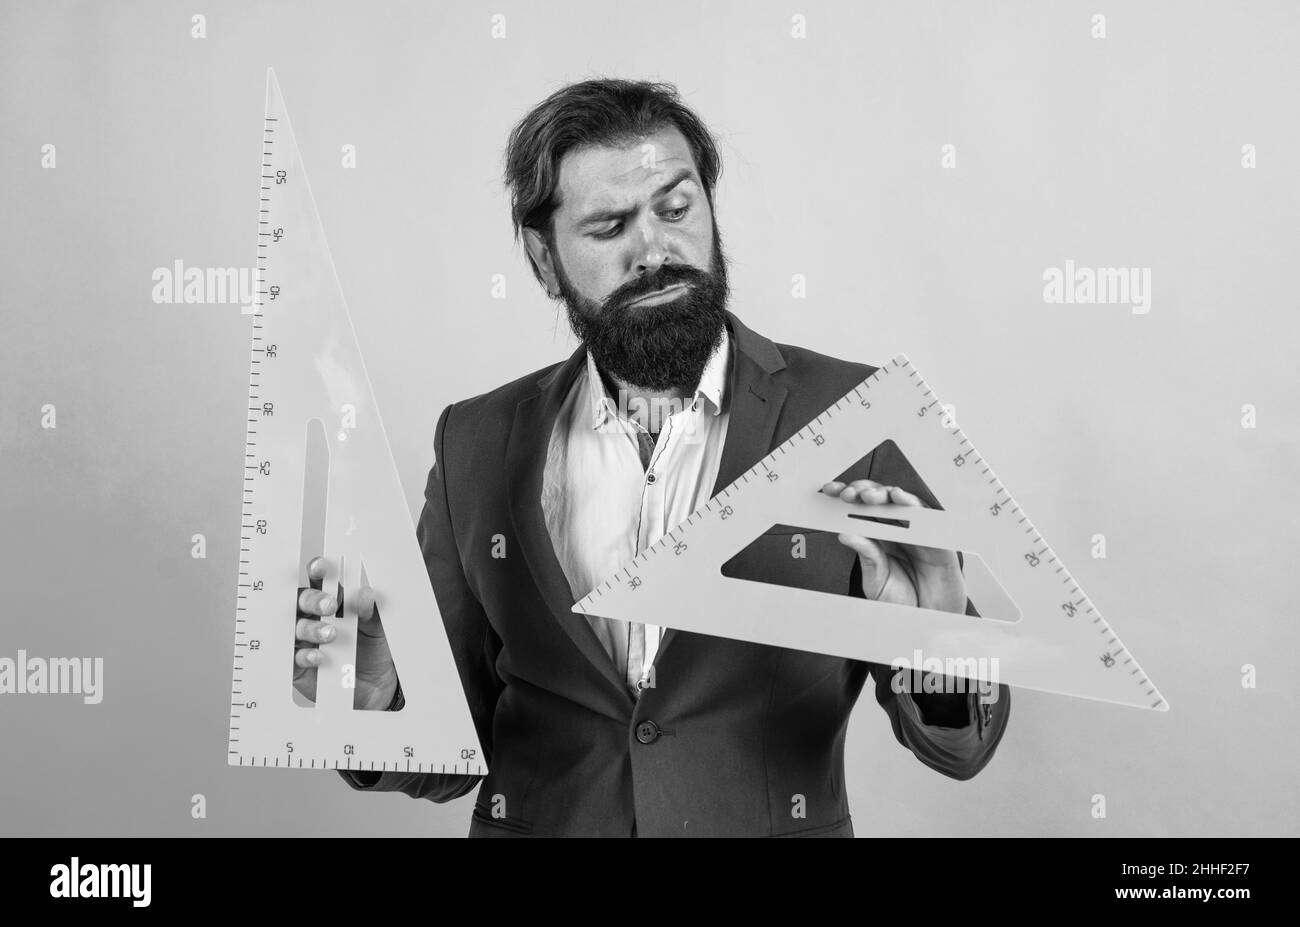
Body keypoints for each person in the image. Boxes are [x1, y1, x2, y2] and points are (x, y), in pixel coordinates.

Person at [292, 79, 1010, 837]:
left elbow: (960, 750)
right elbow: (447, 745)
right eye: (608, 227)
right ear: (544, 259)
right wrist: (375, 705)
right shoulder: (475, 440)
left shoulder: (854, 417)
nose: (655, 252)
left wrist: (941, 656)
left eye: (676, 208)